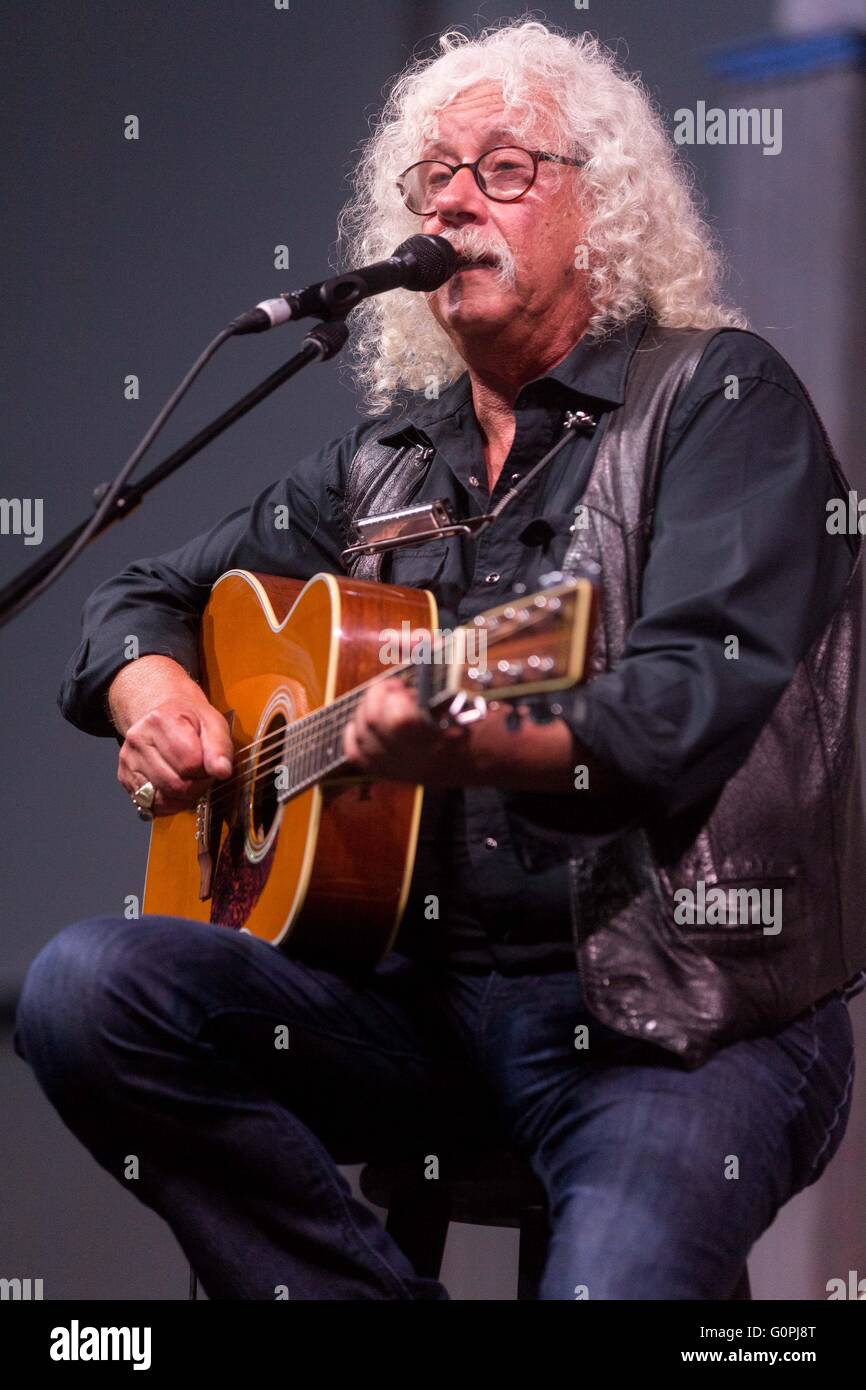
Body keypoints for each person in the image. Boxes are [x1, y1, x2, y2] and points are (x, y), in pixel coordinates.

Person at [14, 19, 866, 1299]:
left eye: (503, 167)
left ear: (603, 207)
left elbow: (680, 707)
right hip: (417, 1008)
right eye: (432, 177)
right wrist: (156, 686)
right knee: (87, 988)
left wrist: (477, 740)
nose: (455, 196)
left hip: (677, 1018)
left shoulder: (715, 406)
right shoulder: (382, 468)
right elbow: (137, 590)